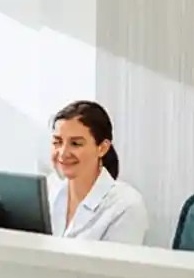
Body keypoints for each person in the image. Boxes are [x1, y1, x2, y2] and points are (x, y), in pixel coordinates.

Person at [50, 100, 149, 245]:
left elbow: (116, 260)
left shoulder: (126, 206)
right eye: (57, 142)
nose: (63, 153)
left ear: (102, 148)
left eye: (76, 144)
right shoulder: (49, 190)